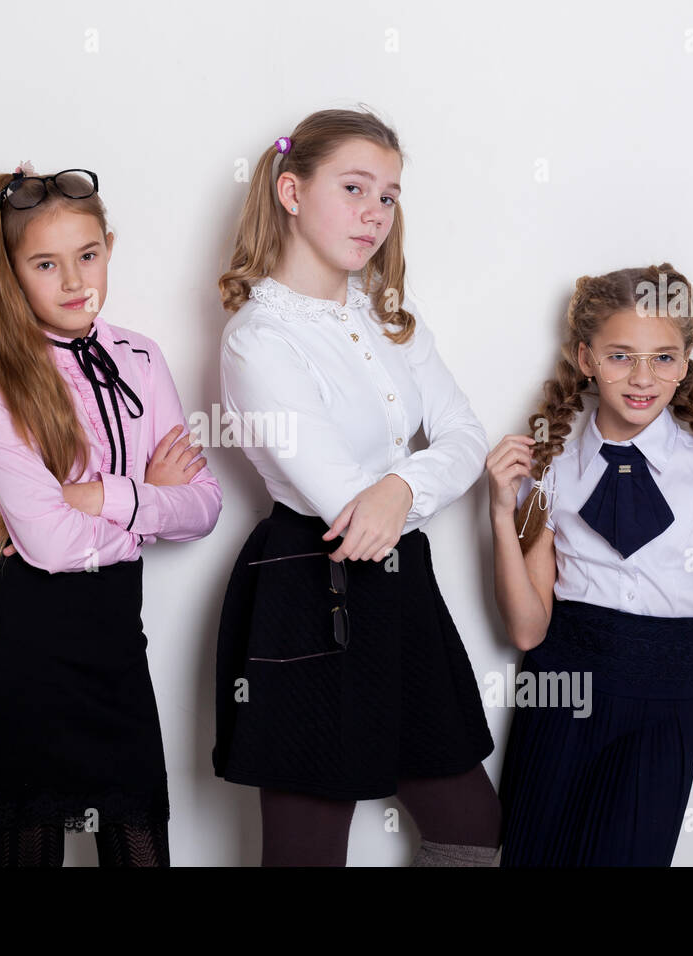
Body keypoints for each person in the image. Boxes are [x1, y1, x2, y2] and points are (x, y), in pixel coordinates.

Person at [212, 108, 502, 866]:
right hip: (309, 589)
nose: (374, 213)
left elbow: (466, 437)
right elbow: (343, 504)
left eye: (389, 196)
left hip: (403, 588)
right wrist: (388, 495)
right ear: (291, 191)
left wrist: (401, 490)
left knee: (470, 819)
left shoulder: (389, 316)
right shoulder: (258, 338)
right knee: (308, 845)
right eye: (354, 188)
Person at [0, 162, 223, 866]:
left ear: (109, 247)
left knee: (138, 842)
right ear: (10, 272)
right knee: (28, 846)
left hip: (112, 639)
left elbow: (203, 507)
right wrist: (145, 499)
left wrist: (104, 494)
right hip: (27, 640)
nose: (74, 282)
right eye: (46, 264)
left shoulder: (140, 357)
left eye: (88, 256)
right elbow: (45, 542)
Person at [486, 263, 693, 866]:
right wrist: (501, 513)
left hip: (662, 703)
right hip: (558, 695)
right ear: (586, 358)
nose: (643, 377)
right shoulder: (550, 464)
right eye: (621, 356)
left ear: (685, 364)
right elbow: (526, 630)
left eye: (663, 358)